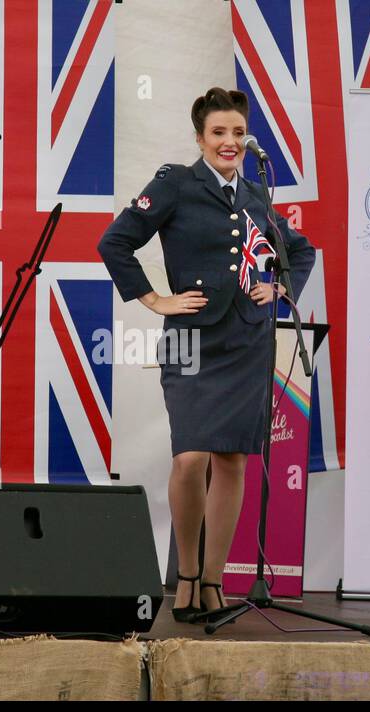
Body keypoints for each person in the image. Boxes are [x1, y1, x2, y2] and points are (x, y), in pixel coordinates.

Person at [97, 87, 315, 621]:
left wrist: (281, 290)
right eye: (219, 132)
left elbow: (300, 252)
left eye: (238, 132)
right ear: (200, 138)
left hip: (246, 339)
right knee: (190, 456)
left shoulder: (257, 195)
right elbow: (115, 242)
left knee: (232, 458)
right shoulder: (175, 182)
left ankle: (215, 580)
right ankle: (188, 572)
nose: (230, 141)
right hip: (190, 338)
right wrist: (154, 299)